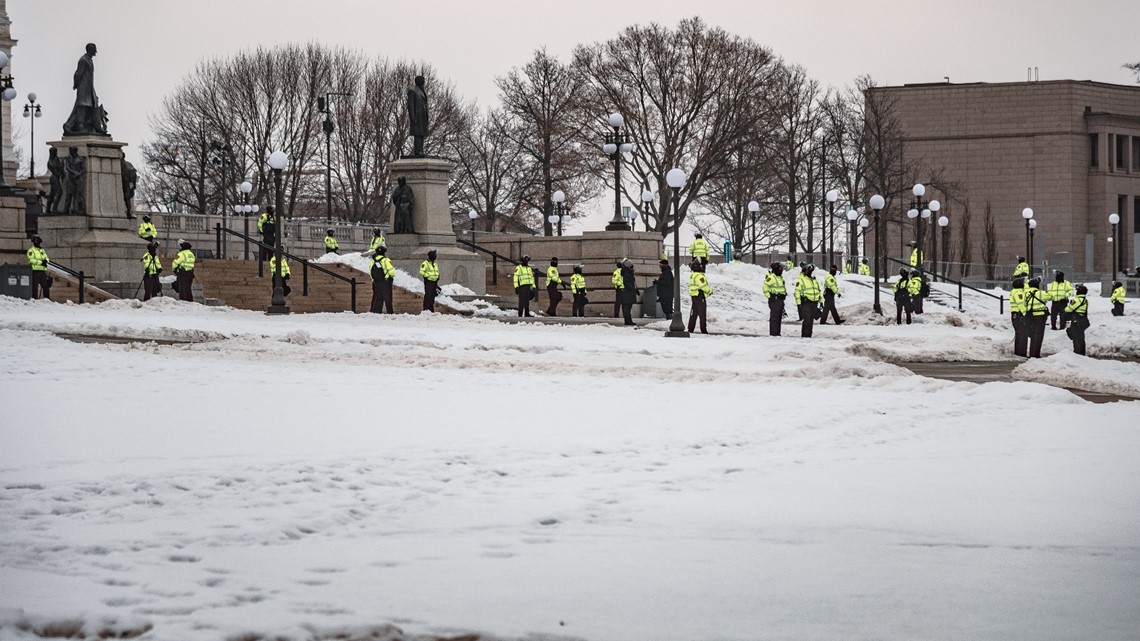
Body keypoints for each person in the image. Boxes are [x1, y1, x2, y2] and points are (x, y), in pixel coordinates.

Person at [794, 263, 823, 338]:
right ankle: (805, 335)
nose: (810, 272)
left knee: (811, 320)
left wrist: (821, 301)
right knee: (807, 319)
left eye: (811, 270)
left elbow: (819, 291)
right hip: (806, 302)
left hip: (814, 302)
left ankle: (809, 335)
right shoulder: (801, 280)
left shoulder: (814, 280)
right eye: (808, 270)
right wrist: (799, 303)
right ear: (804, 271)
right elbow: (797, 292)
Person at [1024, 277, 1049, 358]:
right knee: (1039, 335)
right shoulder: (1041, 293)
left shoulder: (1026, 294)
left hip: (1030, 316)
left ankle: (1031, 353)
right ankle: (1036, 354)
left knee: (1032, 334)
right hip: (1040, 316)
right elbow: (1051, 297)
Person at [687, 259, 712, 334]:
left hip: (694, 295)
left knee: (693, 313)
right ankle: (703, 330)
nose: (701, 266)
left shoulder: (693, 275)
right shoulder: (699, 276)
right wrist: (710, 291)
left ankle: (690, 328)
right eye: (700, 265)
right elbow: (704, 286)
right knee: (702, 313)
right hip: (699, 296)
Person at [1064, 284, 1090, 355]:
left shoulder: (1077, 299)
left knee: (1076, 338)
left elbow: (1069, 309)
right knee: (1081, 338)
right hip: (1082, 320)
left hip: (1076, 321)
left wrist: (1065, 309)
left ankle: (1077, 353)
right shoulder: (1084, 299)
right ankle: (1081, 353)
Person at [763, 262, 787, 336]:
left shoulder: (780, 278)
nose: (782, 271)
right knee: (774, 317)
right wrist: (769, 296)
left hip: (780, 300)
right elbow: (765, 287)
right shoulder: (771, 277)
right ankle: (773, 332)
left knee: (779, 317)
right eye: (780, 269)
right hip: (774, 300)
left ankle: (777, 332)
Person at [370, 245, 395, 314]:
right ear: (384, 252)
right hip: (385, 281)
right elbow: (391, 271)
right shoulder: (386, 260)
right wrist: (391, 277)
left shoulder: (373, 261)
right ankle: (390, 312)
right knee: (388, 298)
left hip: (376, 282)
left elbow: (371, 271)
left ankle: (377, 312)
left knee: (378, 297)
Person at [26, 235, 50, 300]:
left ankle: (47, 299)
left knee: (46, 286)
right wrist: (41, 262)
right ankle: (35, 299)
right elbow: (31, 260)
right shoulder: (31, 250)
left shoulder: (42, 250)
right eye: (35, 241)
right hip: (35, 271)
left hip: (42, 271)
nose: (37, 242)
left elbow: (47, 258)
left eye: (38, 241)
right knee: (35, 287)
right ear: (33, 242)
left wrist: (46, 261)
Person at [1010, 277, 1028, 357]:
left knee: (1019, 333)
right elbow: (1020, 304)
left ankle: (1018, 352)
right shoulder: (1018, 292)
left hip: (1016, 314)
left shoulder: (1014, 291)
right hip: (1019, 314)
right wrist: (1025, 314)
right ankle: (1021, 353)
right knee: (1023, 334)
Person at [620, 259, 637, 326]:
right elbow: (628, 283)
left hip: (628, 292)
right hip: (628, 293)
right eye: (631, 265)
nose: (632, 266)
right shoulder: (626, 273)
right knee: (627, 307)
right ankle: (628, 320)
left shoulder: (627, 272)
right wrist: (633, 289)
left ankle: (628, 320)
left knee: (627, 307)